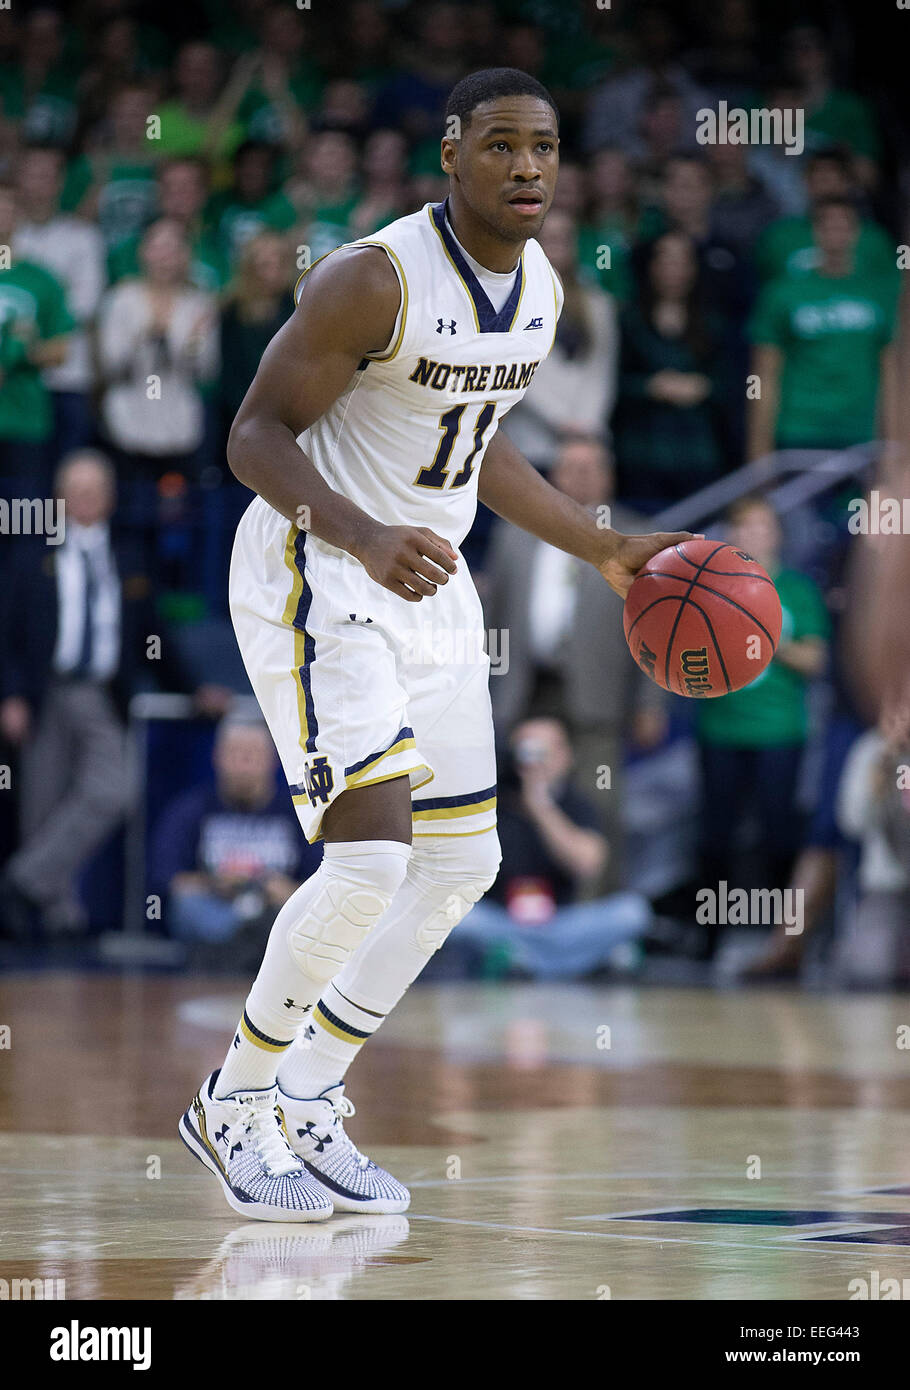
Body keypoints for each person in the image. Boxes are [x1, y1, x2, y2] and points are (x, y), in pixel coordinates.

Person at [178, 67, 694, 1223]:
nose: (526, 168)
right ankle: (234, 1097)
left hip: (431, 584)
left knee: (460, 865)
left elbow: (476, 447)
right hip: (323, 571)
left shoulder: (543, 292)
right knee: (368, 859)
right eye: (501, 145)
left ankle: (308, 1096)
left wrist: (600, 548)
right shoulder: (374, 278)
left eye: (544, 148)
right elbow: (252, 435)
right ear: (450, 153)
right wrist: (360, 535)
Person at [0, 451, 224, 938]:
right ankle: (55, 918)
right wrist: (11, 695)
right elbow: (8, 629)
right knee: (42, 801)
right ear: (59, 497)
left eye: (93, 490)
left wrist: (190, 689)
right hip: (45, 693)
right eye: (75, 490)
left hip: (100, 694)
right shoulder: (31, 553)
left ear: (109, 498)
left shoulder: (127, 558)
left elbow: (152, 637)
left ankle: (23, 880)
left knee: (113, 789)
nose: (83, 500)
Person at [483, 435, 667, 893]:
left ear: (609, 475)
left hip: (599, 693)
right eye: (571, 467)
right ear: (553, 475)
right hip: (524, 689)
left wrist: (651, 700)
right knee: (513, 799)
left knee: (599, 797)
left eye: (592, 467)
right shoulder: (515, 532)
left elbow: (657, 624)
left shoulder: (634, 535)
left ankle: (598, 916)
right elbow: (492, 617)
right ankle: (516, 914)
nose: (581, 476)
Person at [695, 496, 829, 959]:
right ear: (730, 535)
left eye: (762, 526)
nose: (754, 534)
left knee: (779, 837)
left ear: (777, 534)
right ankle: (708, 940)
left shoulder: (795, 589)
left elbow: (814, 660)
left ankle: (784, 942)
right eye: (744, 526)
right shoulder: (707, 585)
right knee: (714, 838)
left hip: (780, 731)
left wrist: (763, 634)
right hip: (720, 729)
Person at [452, 717, 653, 978]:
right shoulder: (490, 802)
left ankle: (521, 961)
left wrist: (540, 805)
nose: (535, 761)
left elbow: (588, 865)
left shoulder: (579, 804)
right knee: (458, 917)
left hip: (562, 922)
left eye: (543, 751)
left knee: (632, 911)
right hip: (504, 920)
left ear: (565, 756)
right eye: (526, 750)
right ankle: (581, 962)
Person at [151, 714, 322, 961]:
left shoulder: (300, 813)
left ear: (273, 760)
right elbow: (165, 880)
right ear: (217, 757)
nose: (244, 764)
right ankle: (239, 948)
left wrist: (282, 891)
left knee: (297, 911)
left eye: (253, 754)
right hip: (214, 910)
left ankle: (245, 948)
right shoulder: (190, 809)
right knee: (188, 906)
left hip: (273, 909)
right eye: (236, 754)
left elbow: (323, 881)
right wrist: (215, 883)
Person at [746, 196, 899, 463]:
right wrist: (759, 454)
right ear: (815, 232)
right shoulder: (782, 294)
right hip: (798, 430)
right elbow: (763, 377)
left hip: (860, 434)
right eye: (827, 226)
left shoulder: (880, 294)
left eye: (844, 226)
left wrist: (893, 446)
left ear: (856, 232)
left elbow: (891, 377)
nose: (836, 234)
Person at [15, 145, 106, 456]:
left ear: (60, 182)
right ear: (19, 180)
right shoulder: (8, 239)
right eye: (33, 174)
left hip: (69, 376)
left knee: (68, 474)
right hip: (14, 381)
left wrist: (27, 327)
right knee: (21, 481)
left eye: (48, 175)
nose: (40, 182)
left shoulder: (83, 237)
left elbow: (86, 303)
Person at [0, 181, 73, 490]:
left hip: (25, 418)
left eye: (8, 208)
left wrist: (22, 351)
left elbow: (60, 351)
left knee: (24, 518)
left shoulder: (42, 279)